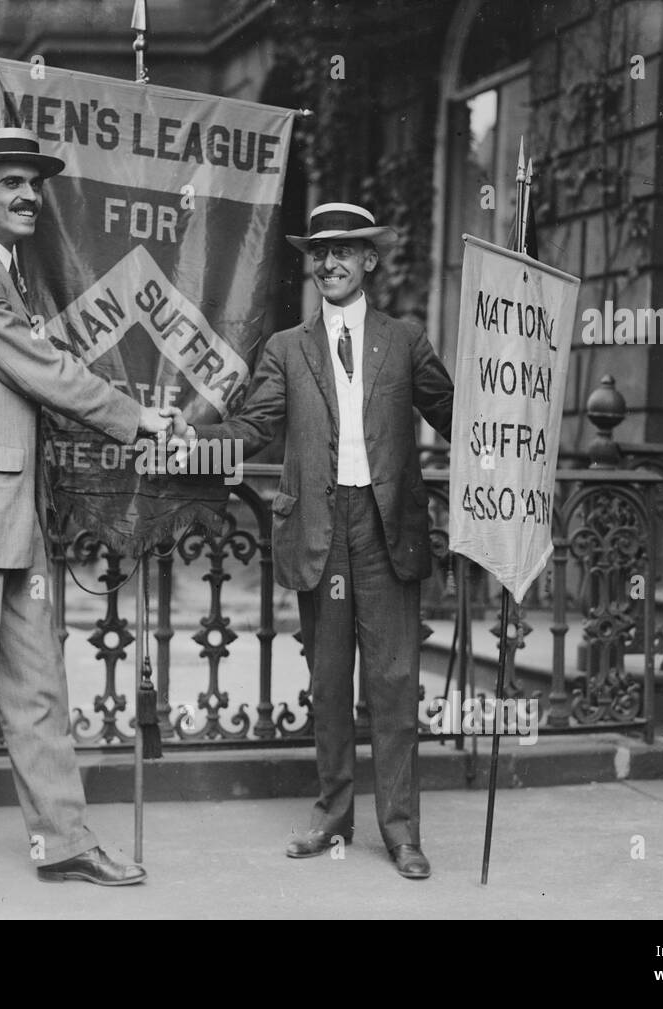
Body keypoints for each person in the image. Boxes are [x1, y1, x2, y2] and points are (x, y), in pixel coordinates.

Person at [0, 127, 172, 897]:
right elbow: (43, 370)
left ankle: (63, 840)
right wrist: (137, 417)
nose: (27, 195)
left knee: (37, 689)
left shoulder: (6, 270)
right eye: (10, 183)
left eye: (33, 183)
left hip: (11, 513)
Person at [169, 203, 453, 879]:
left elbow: (455, 414)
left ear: (369, 262)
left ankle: (402, 830)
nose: (330, 263)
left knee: (392, 682)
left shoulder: (405, 340)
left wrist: (509, 435)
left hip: (388, 530)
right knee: (329, 683)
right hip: (321, 529)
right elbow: (255, 425)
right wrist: (194, 443)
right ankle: (332, 816)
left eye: (345, 252)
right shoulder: (287, 348)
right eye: (320, 253)